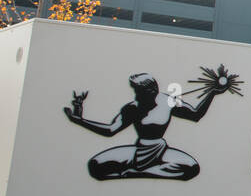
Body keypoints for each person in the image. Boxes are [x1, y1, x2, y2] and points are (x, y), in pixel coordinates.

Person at [64, 71, 227, 180]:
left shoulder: (167, 101)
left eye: (139, 91)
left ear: (151, 89)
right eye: (135, 91)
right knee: (95, 166)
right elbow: (110, 130)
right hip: (138, 150)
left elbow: (195, 115)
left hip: (161, 150)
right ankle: (140, 171)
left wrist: (212, 93)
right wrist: (78, 119)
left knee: (192, 168)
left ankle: (136, 173)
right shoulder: (133, 107)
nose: (136, 95)